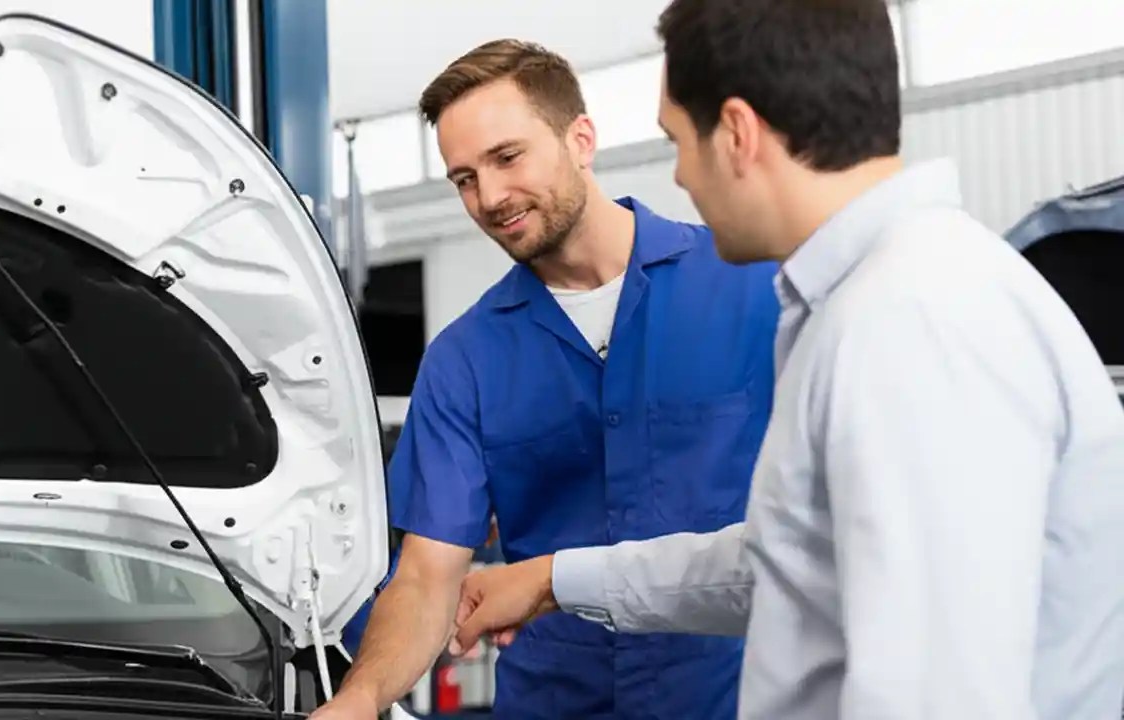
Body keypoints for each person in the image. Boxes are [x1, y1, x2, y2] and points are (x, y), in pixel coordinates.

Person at [447, 1, 1124, 719]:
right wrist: (556, 579)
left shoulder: (909, 322)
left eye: (677, 142)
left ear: (737, 133)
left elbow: (935, 696)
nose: (679, 178)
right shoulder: (879, 296)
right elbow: (788, 564)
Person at [311, 39, 779, 719]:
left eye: (507, 157)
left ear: (580, 139)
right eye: (464, 178)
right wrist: (361, 697)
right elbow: (426, 577)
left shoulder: (751, 286)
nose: (490, 197)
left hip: (739, 701)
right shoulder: (463, 360)